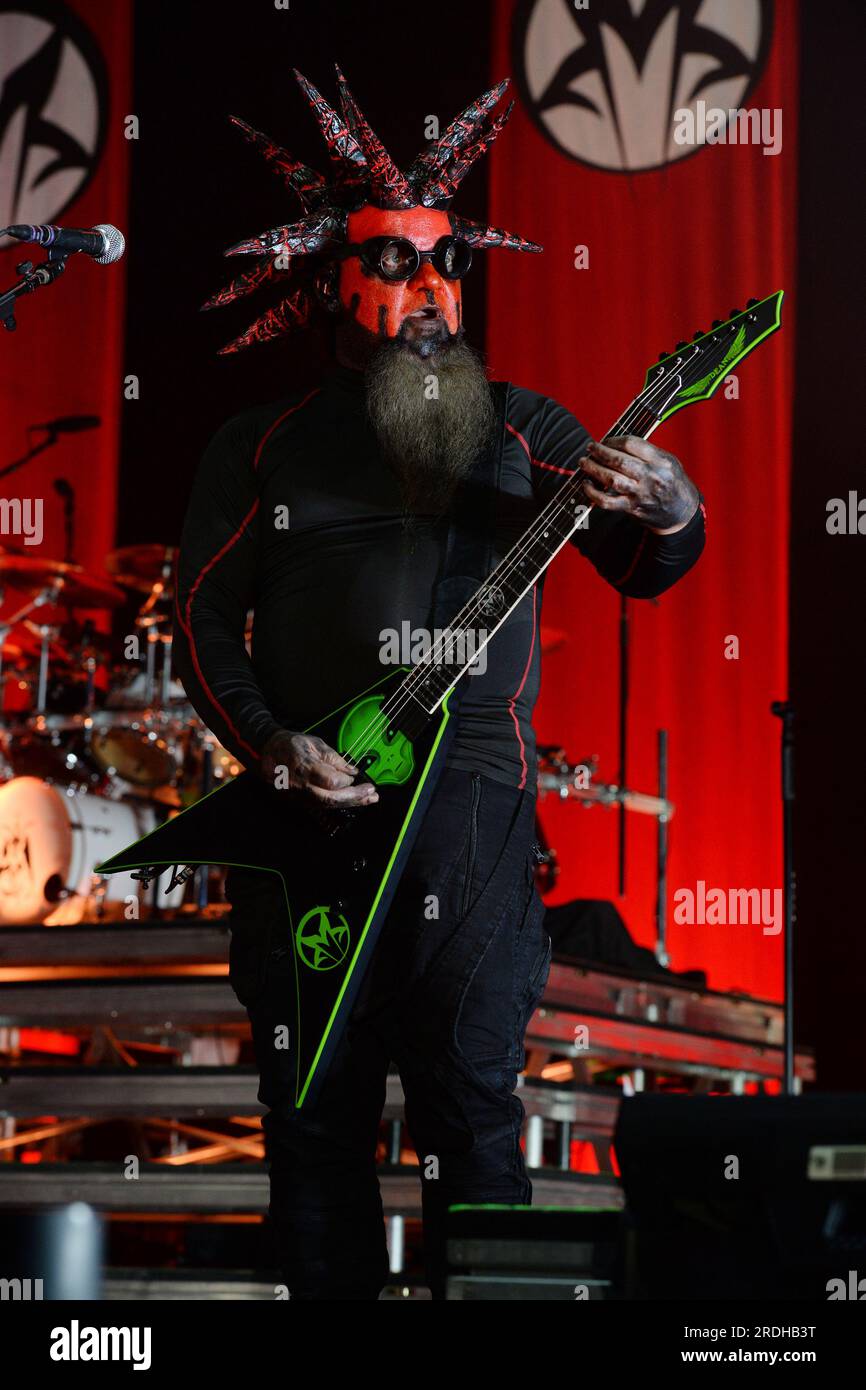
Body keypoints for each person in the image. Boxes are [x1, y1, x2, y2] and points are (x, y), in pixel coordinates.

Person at [173, 68, 705, 1300]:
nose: (429, 291)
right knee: (312, 1136)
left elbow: (645, 565)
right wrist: (267, 744)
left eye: (444, 264)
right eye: (398, 266)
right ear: (335, 286)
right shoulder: (260, 442)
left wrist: (673, 509)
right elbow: (201, 612)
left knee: (473, 1125)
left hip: (471, 826)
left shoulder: (524, 429)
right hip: (311, 822)